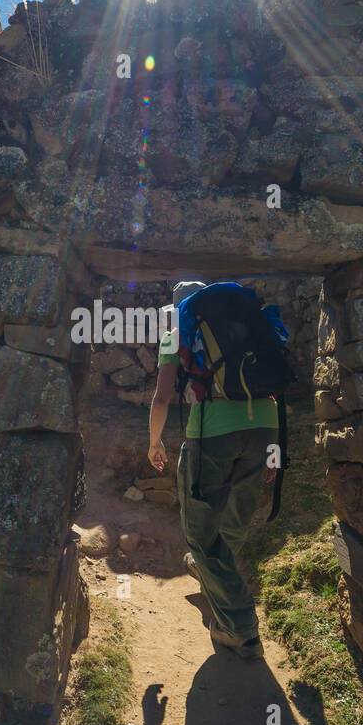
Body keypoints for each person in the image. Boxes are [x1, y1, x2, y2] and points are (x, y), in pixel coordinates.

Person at [147, 279, 278, 662]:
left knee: (201, 534)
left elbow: (161, 397)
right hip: (264, 429)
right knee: (235, 517)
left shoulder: (177, 334)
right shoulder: (244, 327)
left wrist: (155, 442)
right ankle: (208, 573)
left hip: (213, 435)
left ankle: (239, 629)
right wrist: (273, 451)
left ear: (178, 311)